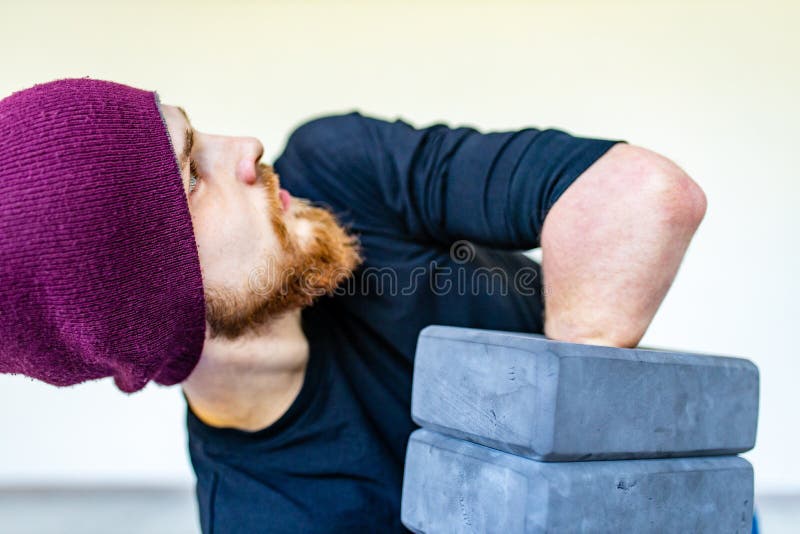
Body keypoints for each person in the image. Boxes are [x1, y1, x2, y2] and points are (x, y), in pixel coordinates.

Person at [0, 78, 710, 532]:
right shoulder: (262, 519)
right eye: (192, 173)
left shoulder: (338, 168)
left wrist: (559, 475)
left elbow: (641, 198)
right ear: (145, 303)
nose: (244, 147)